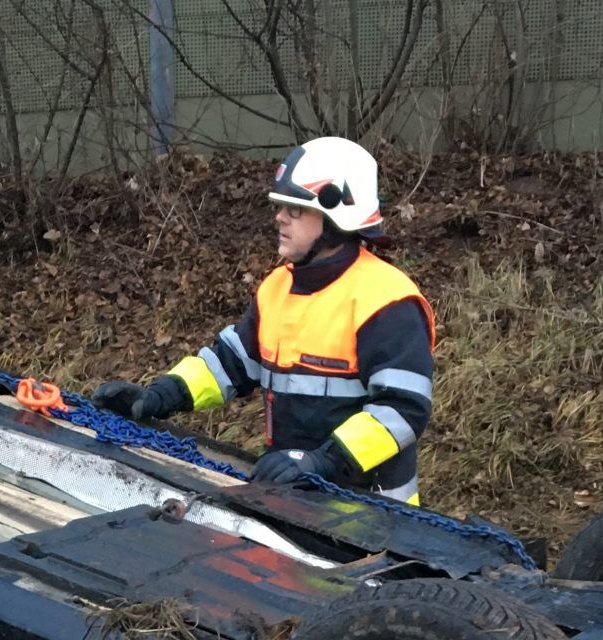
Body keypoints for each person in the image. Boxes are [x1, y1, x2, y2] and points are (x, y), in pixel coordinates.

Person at [92, 137, 434, 504]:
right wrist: (157, 396)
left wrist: (324, 461)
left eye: (295, 208)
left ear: (337, 215)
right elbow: (229, 365)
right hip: (293, 495)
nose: (280, 217)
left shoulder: (386, 301)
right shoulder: (278, 288)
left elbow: (401, 410)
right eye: (281, 206)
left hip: (374, 515)